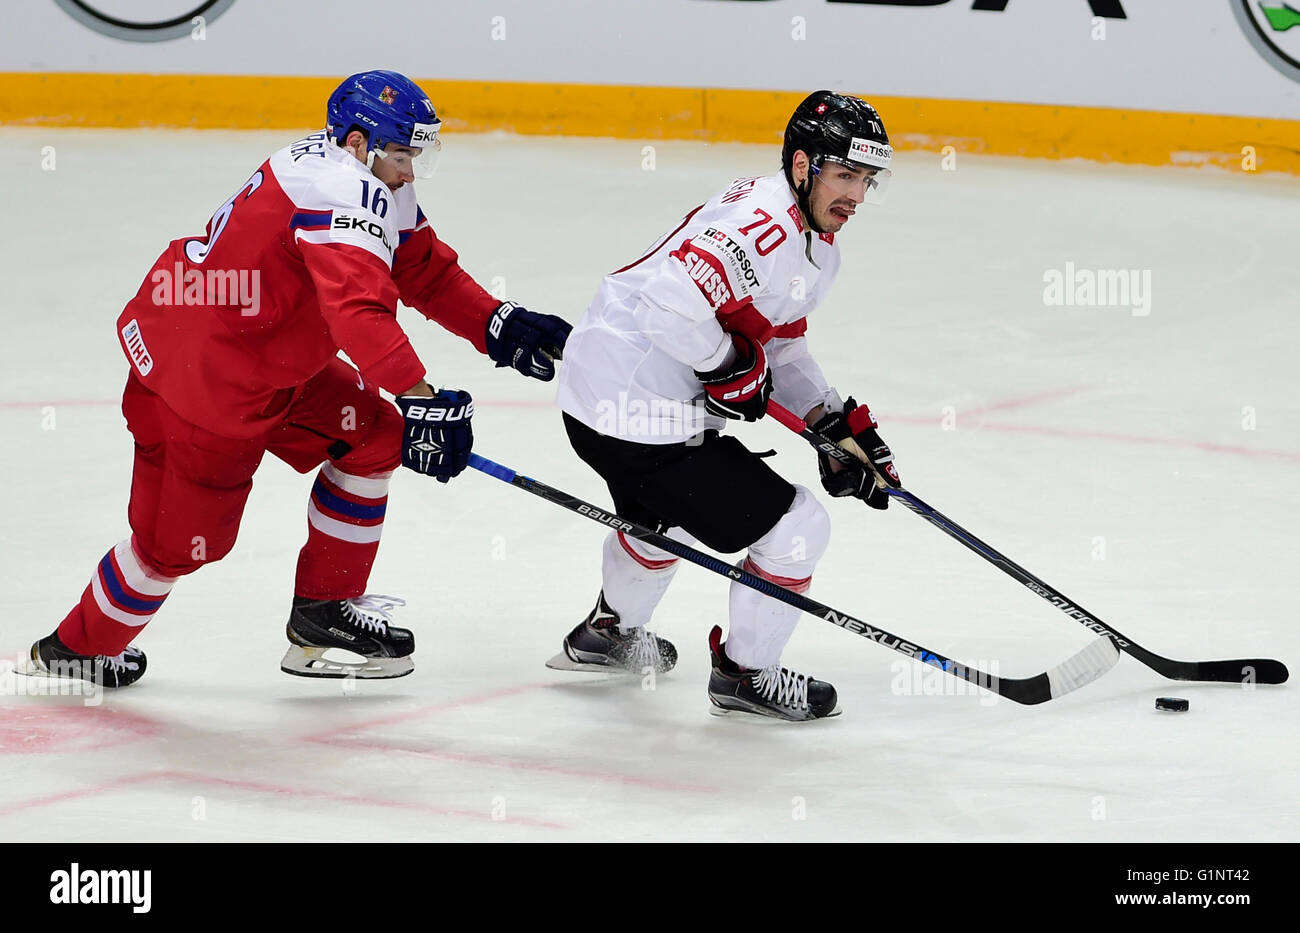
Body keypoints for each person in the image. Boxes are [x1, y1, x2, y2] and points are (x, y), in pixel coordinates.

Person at [21, 70, 571, 687]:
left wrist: (498, 323)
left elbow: (419, 269)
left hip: (256, 361)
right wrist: (420, 397)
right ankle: (74, 648)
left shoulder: (350, 167)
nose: (410, 171)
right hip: (203, 388)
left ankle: (322, 616)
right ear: (359, 144)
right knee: (174, 549)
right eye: (401, 156)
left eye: (416, 155)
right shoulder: (341, 191)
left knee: (376, 439)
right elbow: (358, 311)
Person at [552, 90, 899, 721]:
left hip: (603, 395)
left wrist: (829, 422)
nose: (856, 195)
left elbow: (781, 348)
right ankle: (745, 677)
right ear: (803, 166)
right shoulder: (762, 227)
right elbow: (667, 303)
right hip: (641, 409)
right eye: (845, 175)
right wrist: (726, 366)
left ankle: (608, 633)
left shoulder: (812, 242)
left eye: (867, 180)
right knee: (798, 529)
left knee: (668, 517)